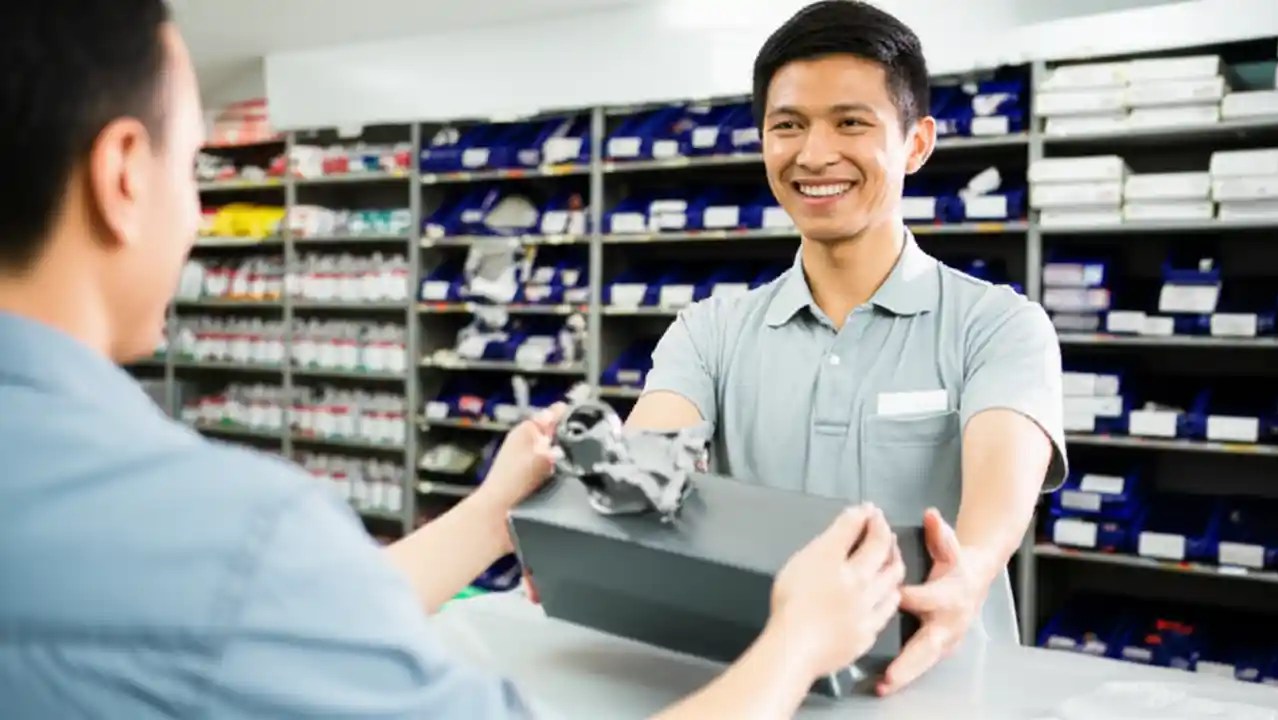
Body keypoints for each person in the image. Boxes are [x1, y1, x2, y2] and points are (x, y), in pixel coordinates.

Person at [0, 3, 907, 718]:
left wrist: (487, 519)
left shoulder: (188, 552)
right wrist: (798, 641)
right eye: (192, 165)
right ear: (123, 177)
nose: (196, 215)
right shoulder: (235, 534)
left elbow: (274, 615)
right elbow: (255, 597)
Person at [627, 0, 1068, 697]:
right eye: (789, 126)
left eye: (851, 122)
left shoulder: (999, 326)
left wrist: (965, 579)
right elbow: (644, 468)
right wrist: (596, 519)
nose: (815, 154)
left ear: (916, 143)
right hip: (764, 686)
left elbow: (993, 514)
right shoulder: (708, 332)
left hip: (936, 688)